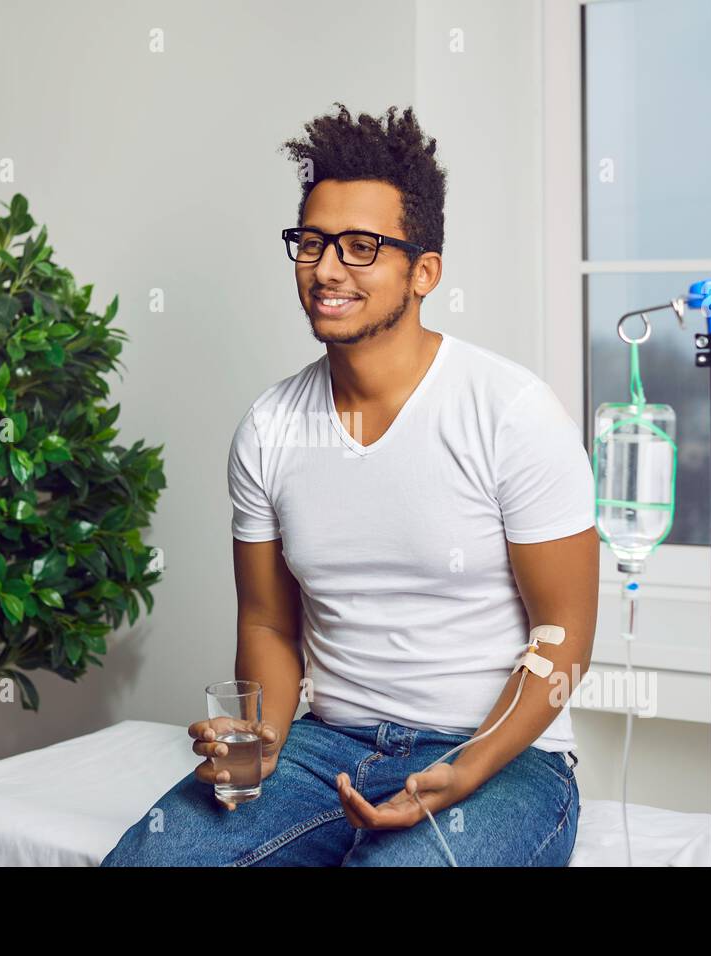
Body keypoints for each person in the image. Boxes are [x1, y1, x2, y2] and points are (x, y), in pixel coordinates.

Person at [102, 103, 598, 867]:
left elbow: (562, 636)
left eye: (362, 247)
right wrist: (261, 741)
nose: (327, 269)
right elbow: (269, 623)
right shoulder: (269, 428)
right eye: (312, 242)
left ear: (424, 271)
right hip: (322, 750)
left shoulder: (511, 413)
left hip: (502, 759)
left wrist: (462, 768)